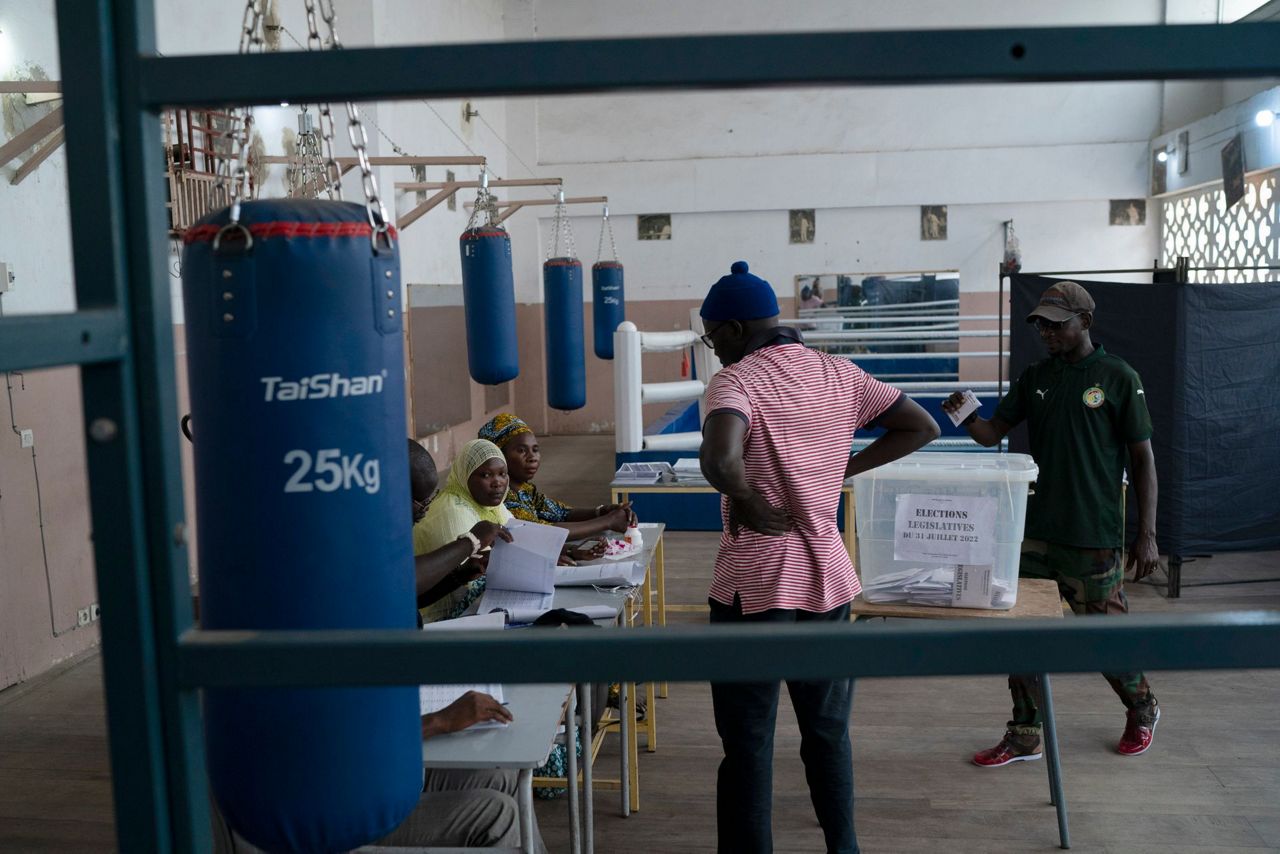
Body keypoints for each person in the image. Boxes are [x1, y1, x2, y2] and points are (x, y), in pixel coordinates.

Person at [697, 260, 940, 854]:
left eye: (711, 338)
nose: (714, 351)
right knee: (828, 730)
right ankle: (844, 847)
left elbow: (721, 460)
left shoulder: (736, 382)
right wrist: (840, 472)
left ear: (732, 329)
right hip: (828, 578)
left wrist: (746, 497)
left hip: (755, 581)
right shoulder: (840, 373)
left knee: (749, 740)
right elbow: (922, 425)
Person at [942, 280, 1161, 766]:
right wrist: (965, 414)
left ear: (1085, 322)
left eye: (1055, 324)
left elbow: (1142, 458)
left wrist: (1146, 535)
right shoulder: (1035, 376)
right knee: (1020, 636)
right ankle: (1024, 734)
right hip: (1034, 532)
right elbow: (991, 434)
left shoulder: (1118, 377)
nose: (1045, 333)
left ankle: (1142, 707)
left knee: (1103, 639)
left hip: (1092, 535)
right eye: (1040, 324)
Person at [478, 412, 634, 545]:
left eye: (535, 449)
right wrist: (607, 522)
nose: (532, 457)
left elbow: (560, 512)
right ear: (498, 455)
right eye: (521, 450)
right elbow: (545, 532)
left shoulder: (524, 490)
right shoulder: (500, 496)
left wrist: (601, 511)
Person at [413, 439, 513, 623]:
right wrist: (471, 541)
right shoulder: (451, 512)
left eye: (502, 474)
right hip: (438, 620)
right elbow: (407, 582)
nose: (426, 509)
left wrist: (460, 574)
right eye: (485, 475)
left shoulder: (492, 508)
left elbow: (413, 598)